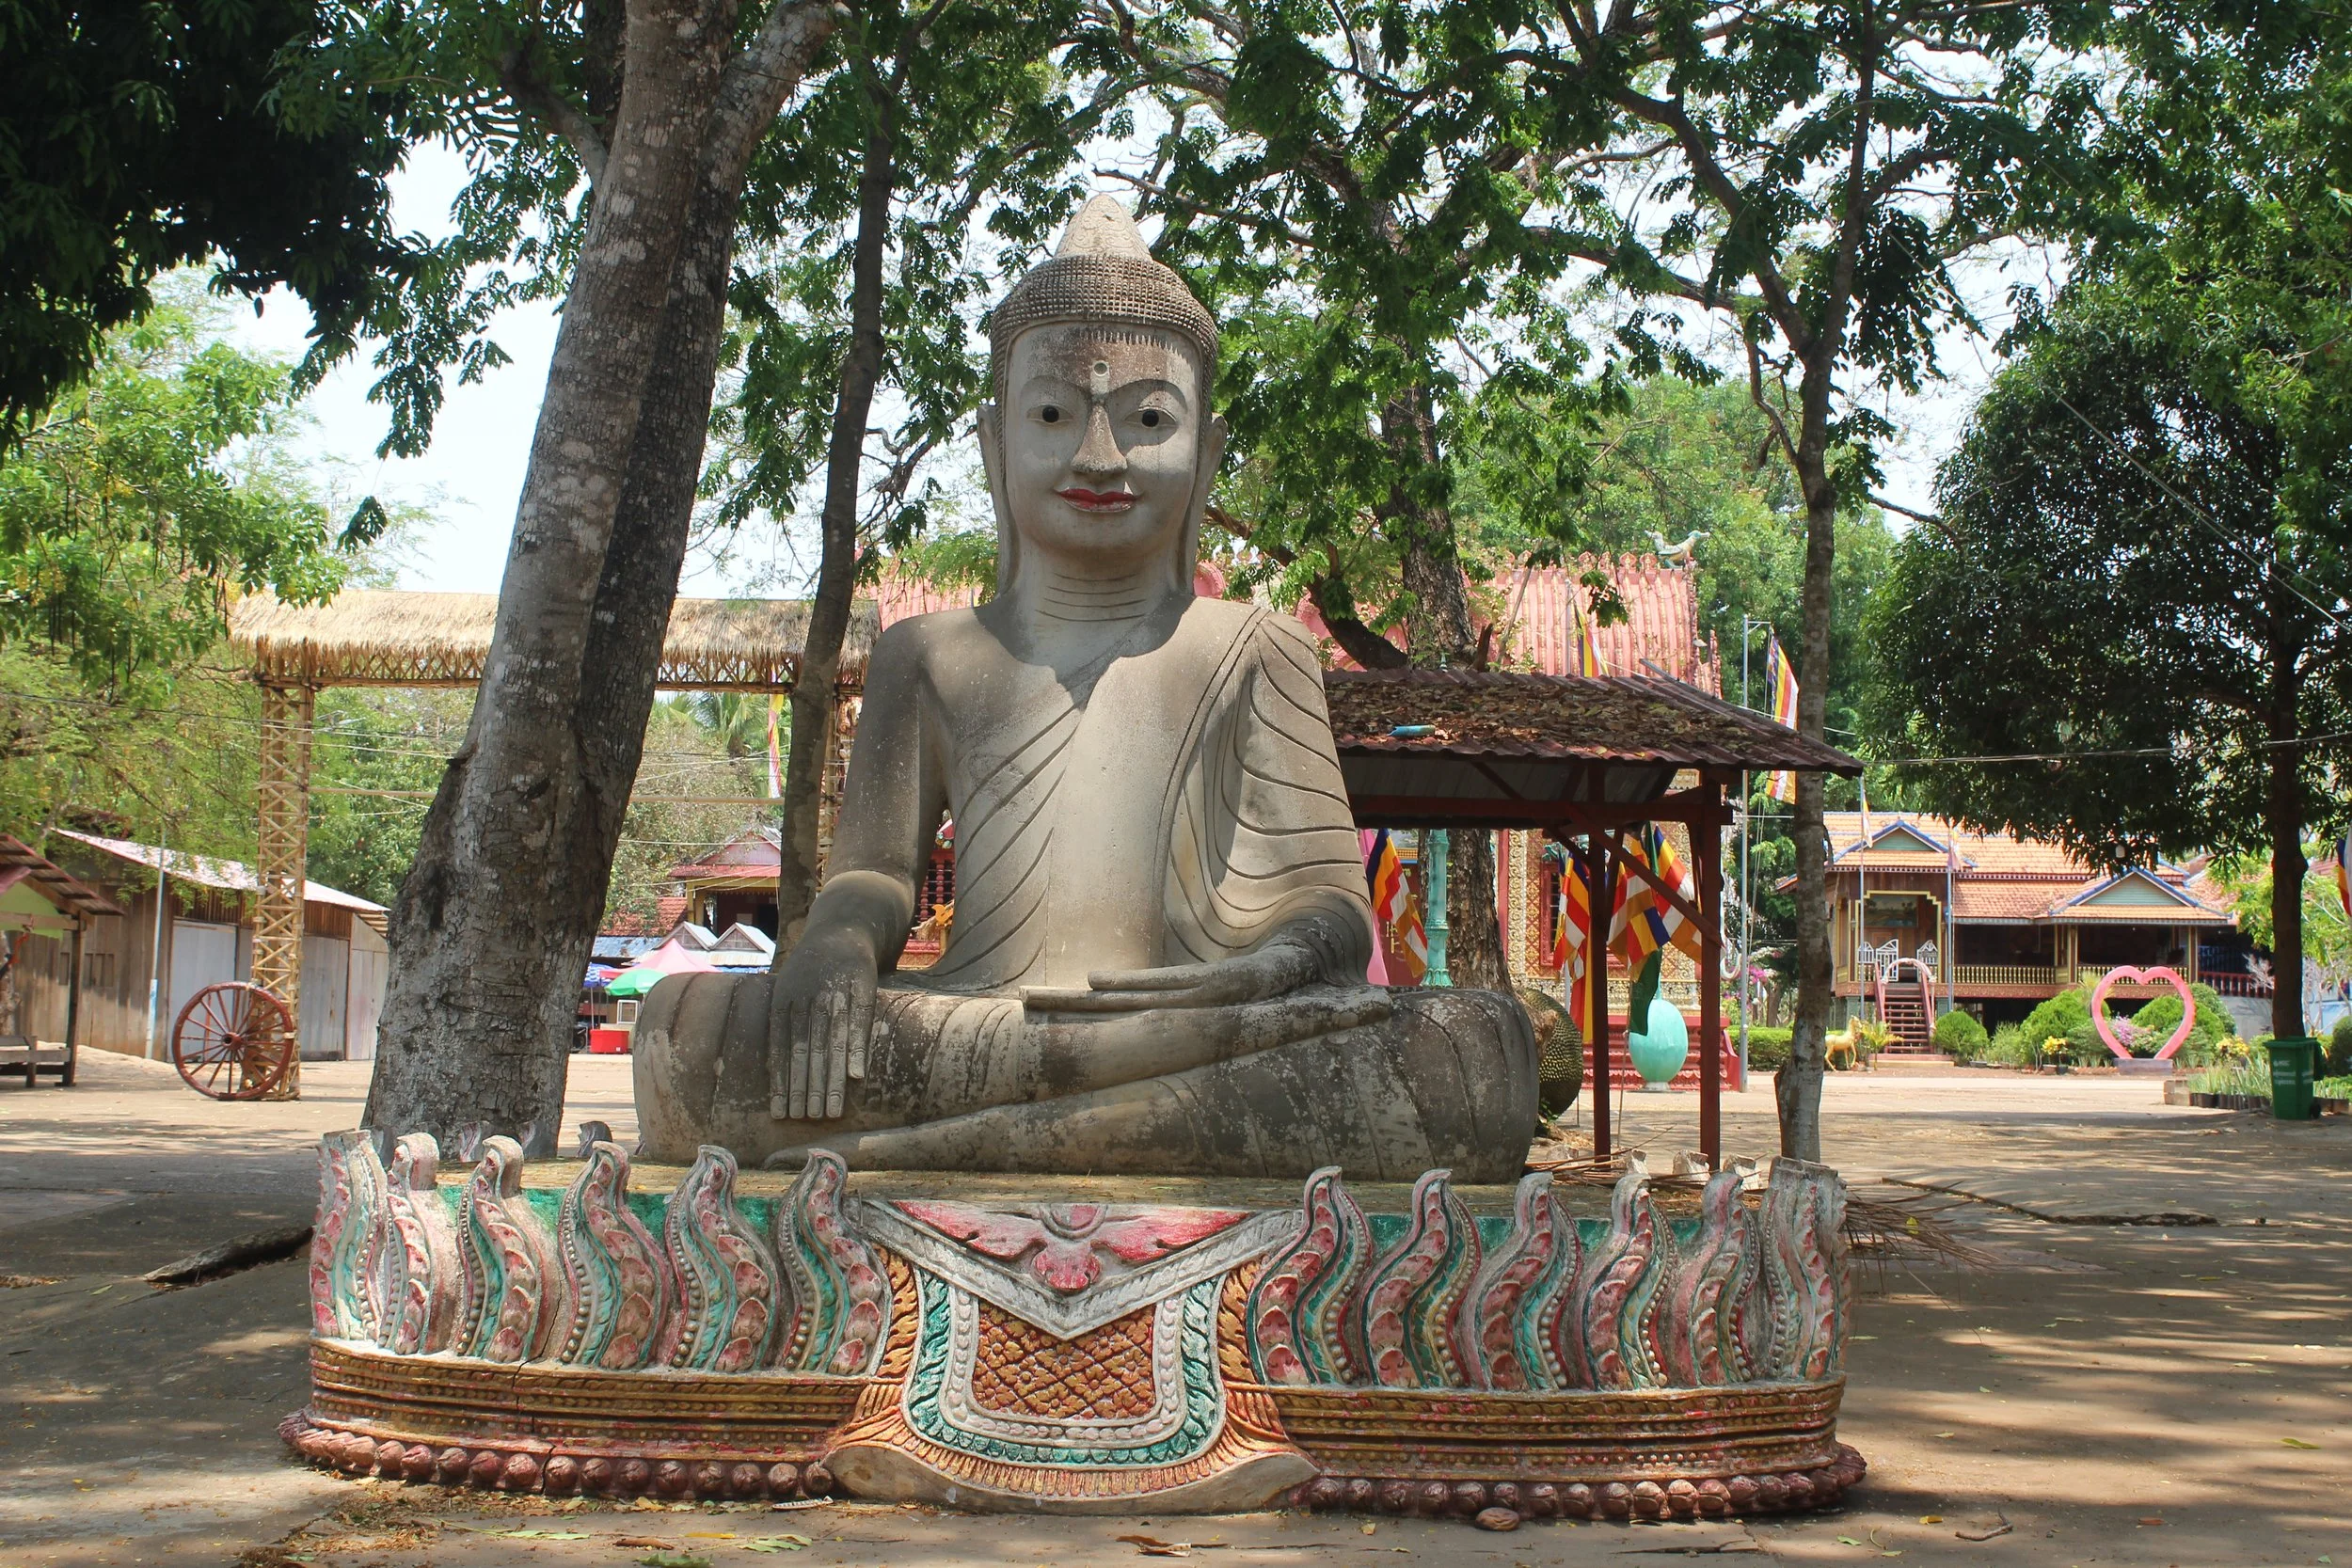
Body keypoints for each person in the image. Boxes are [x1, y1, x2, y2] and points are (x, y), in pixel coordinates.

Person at [634, 198, 1534, 1180]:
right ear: (993, 441)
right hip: (981, 1029)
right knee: (685, 1031)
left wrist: (1266, 966)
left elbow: (1326, 903)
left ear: (1209, 451)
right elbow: (879, 873)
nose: (1098, 456)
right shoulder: (927, 654)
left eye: (1149, 419)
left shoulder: (1258, 645)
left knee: (1470, 1053)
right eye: (1054, 414)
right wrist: (837, 944)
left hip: (1211, 1027)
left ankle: (947, 1144)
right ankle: (1061, 1124)